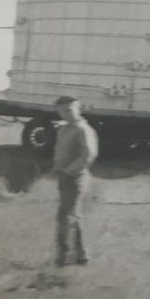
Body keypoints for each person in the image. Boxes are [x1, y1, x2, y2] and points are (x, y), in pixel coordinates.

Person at [50, 95, 98, 267]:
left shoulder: (83, 129)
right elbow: (60, 152)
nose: (66, 114)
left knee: (64, 216)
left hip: (75, 177)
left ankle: (62, 255)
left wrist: (70, 171)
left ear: (78, 108)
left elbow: (88, 154)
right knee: (74, 215)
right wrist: (57, 169)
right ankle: (81, 254)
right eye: (62, 111)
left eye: (70, 110)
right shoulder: (64, 129)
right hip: (64, 176)